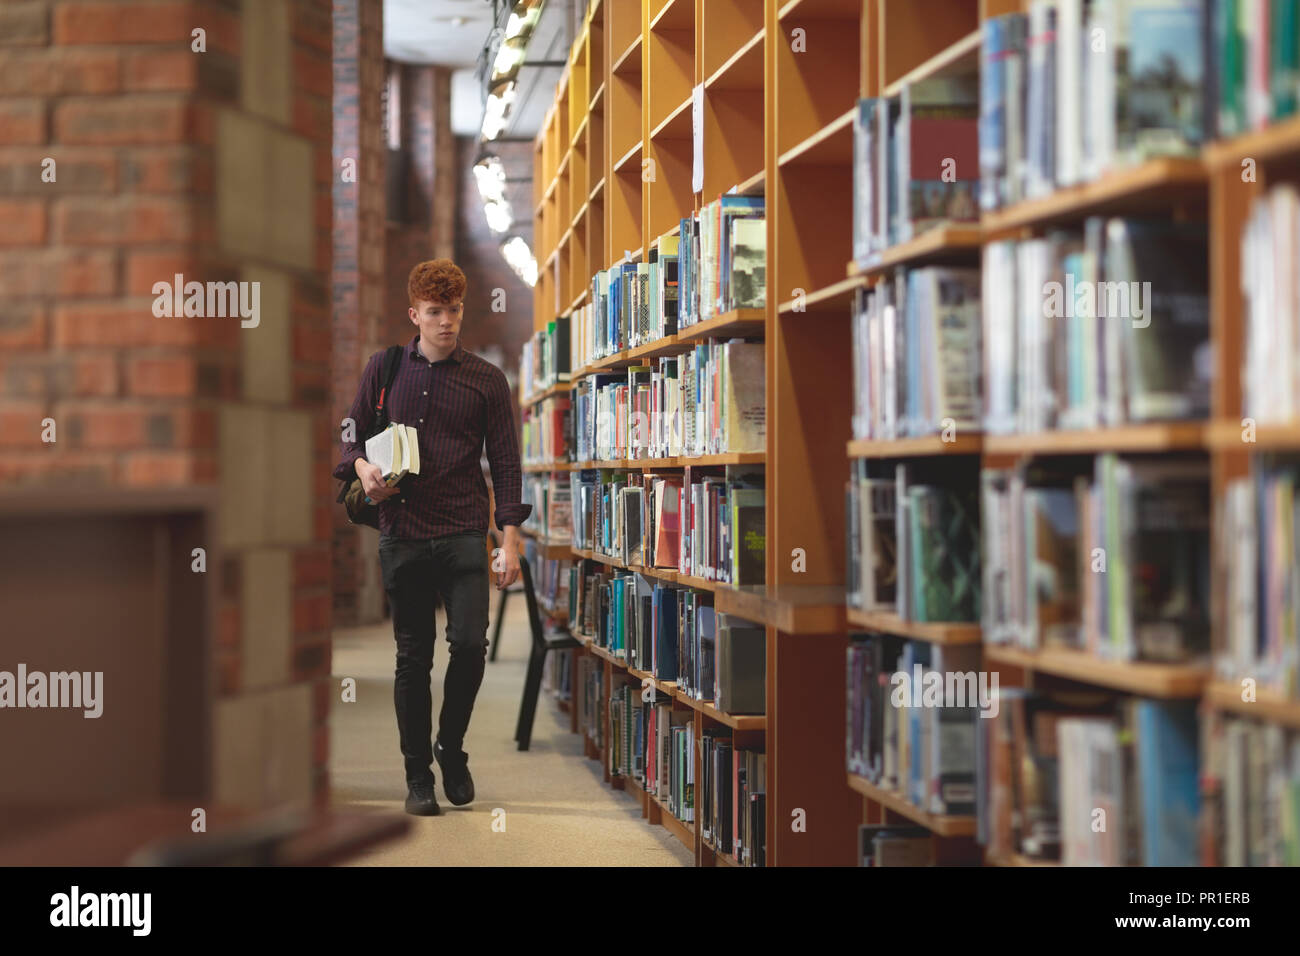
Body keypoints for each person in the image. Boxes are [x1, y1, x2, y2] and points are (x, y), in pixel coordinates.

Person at [333, 258, 531, 816]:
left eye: (455, 310)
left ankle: (451, 746)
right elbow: (350, 439)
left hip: (466, 529)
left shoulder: (488, 381)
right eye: (436, 312)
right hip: (404, 531)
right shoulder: (386, 369)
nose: (447, 321)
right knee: (411, 657)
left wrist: (509, 541)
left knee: (469, 644)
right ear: (415, 313)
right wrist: (363, 470)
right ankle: (417, 774)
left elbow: (507, 465)